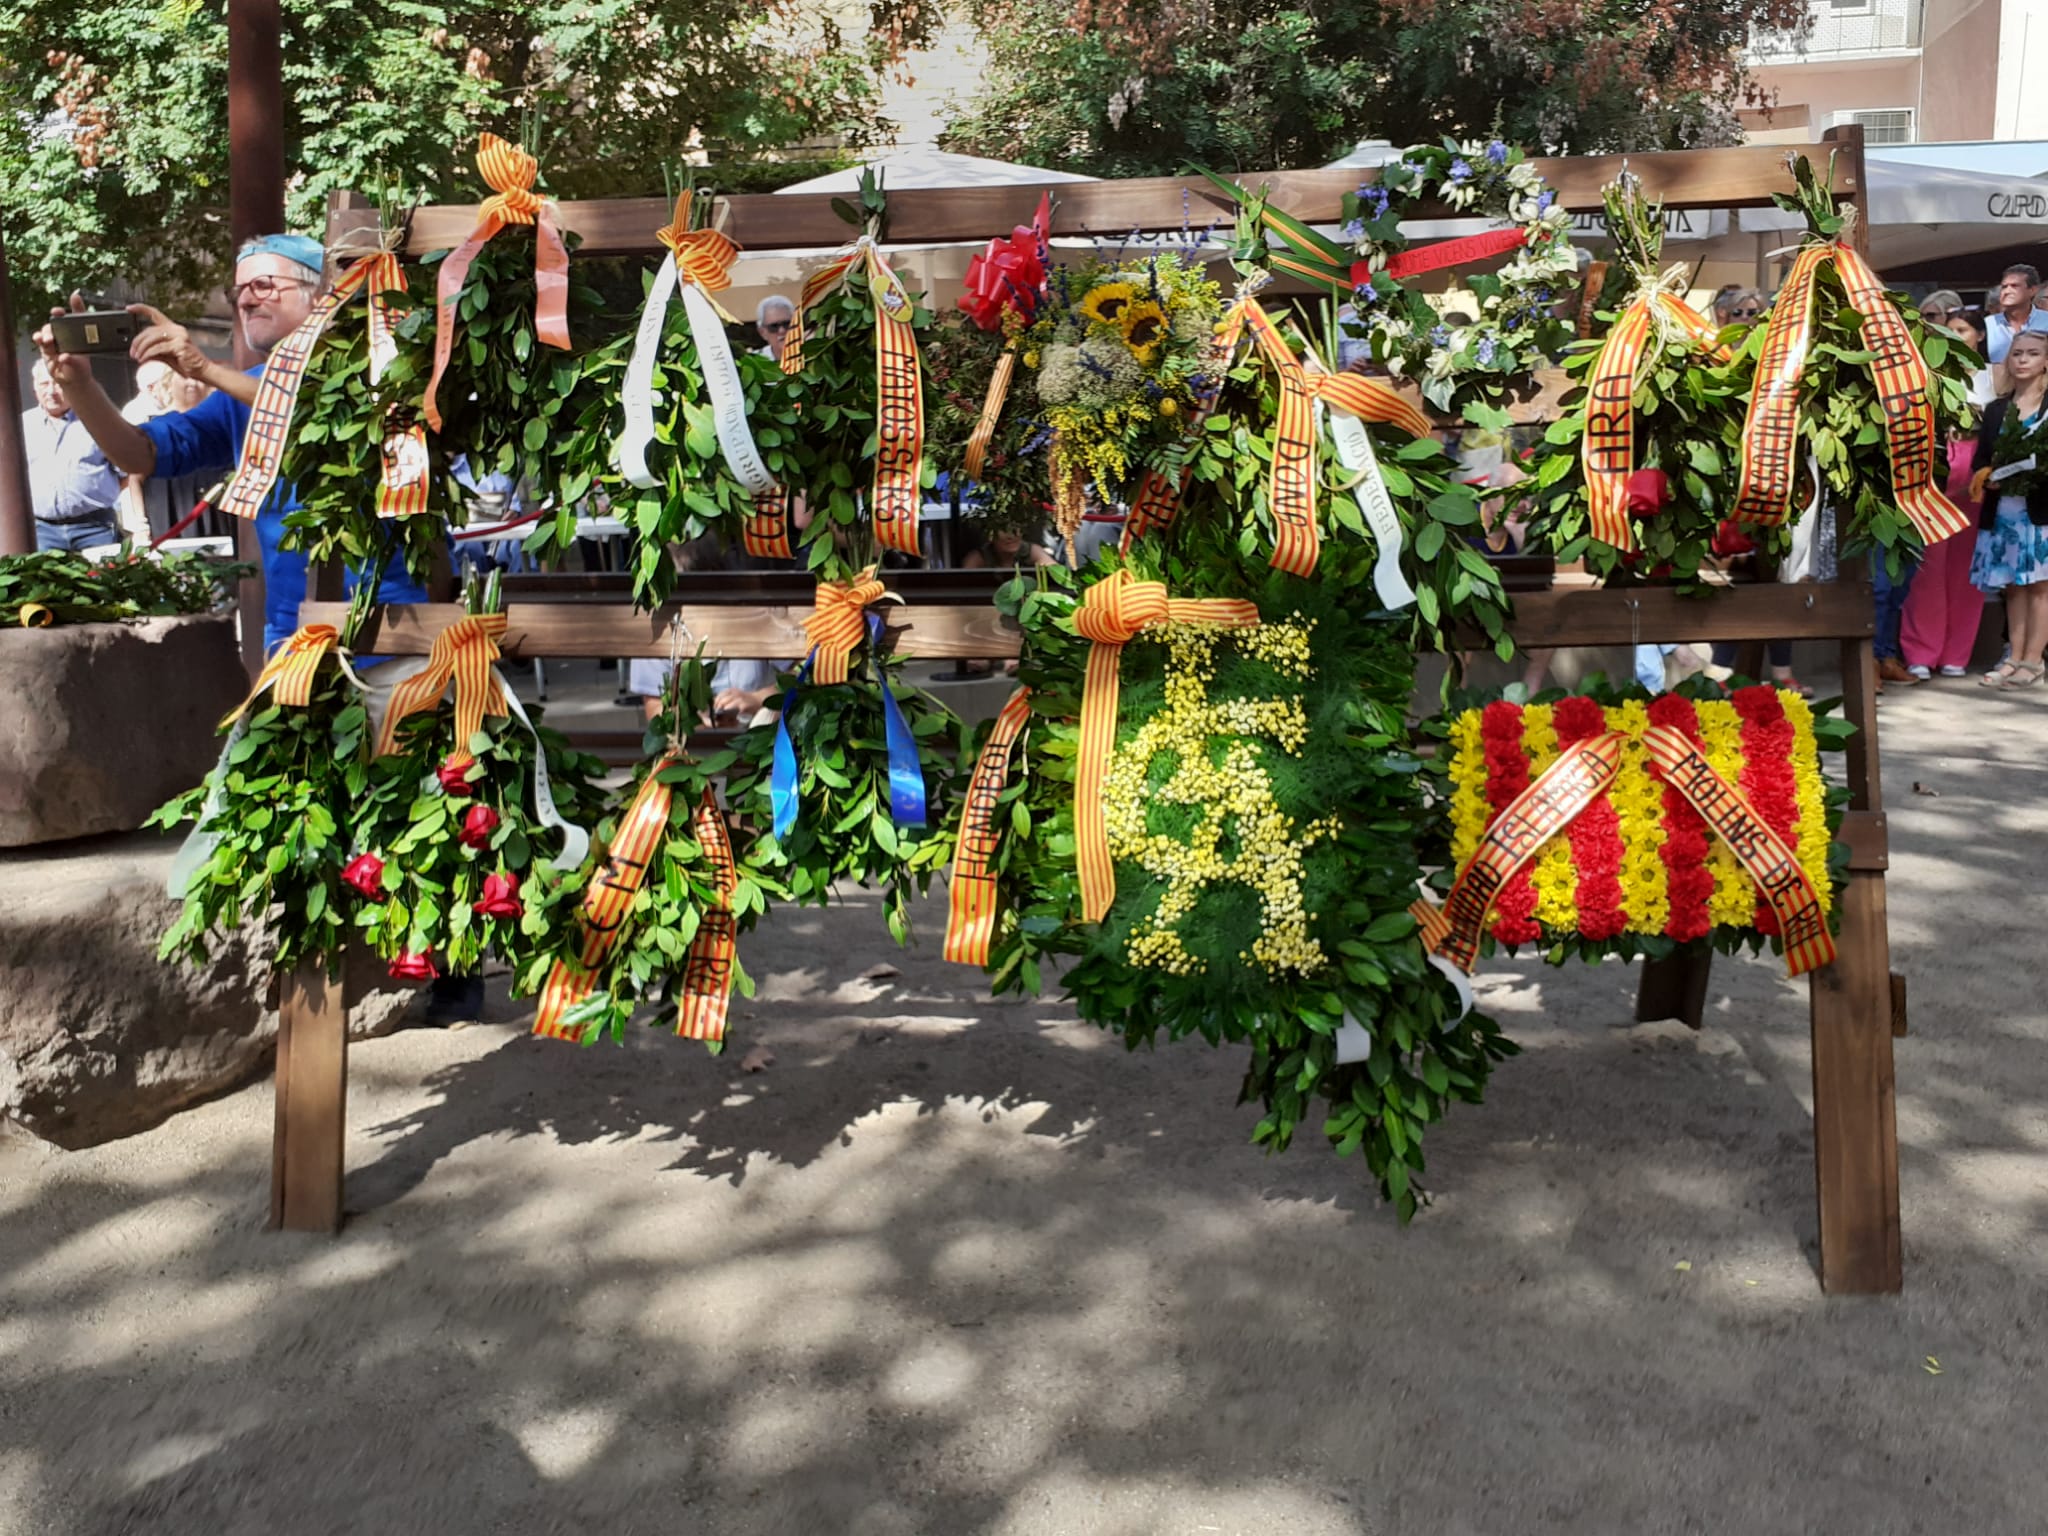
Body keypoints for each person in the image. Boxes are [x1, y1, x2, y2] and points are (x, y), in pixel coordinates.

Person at [33, 233, 430, 652]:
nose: (246, 301)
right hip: (293, 631)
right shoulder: (239, 392)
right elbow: (139, 454)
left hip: (393, 624)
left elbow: (313, 407)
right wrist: (79, 386)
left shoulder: (380, 367)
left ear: (321, 295)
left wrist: (204, 369)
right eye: (238, 291)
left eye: (264, 285)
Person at [1901, 309, 1990, 679]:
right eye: (1947, 330)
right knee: (1929, 563)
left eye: (1962, 330)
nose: (1953, 336)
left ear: (1980, 335)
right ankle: (1921, 651)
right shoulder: (1929, 372)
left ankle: (1957, 653)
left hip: (1977, 468)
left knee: (1966, 564)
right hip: (1936, 465)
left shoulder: (1994, 375)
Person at [1967, 328, 2048, 688]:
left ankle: (2034, 660)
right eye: (2017, 353)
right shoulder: (1996, 409)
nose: (2023, 360)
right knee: (2013, 587)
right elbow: (1981, 459)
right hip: (2004, 510)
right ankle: (2013, 656)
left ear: (2046, 362)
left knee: (2040, 587)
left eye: (2032, 353)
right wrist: (1987, 477)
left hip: (2041, 511)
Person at [22, 358, 123, 551]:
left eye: (57, 384)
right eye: (44, 384)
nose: (51, 391)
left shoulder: (98, 421)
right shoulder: (23, 425)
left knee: (104, 572)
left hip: (95, 527)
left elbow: (126, 472)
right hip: (43, 530)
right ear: (35, 388)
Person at [119, 360, 216, 542]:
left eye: (197, 379)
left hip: (214, 516)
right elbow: (135, 477)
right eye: (184, 378)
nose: (191, 384)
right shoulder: (154, 428)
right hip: (165, 516)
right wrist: (140, 526)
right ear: (168, 386)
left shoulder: (217, 426)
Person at [1982, 265, 2048, 384]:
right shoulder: (1987, 324)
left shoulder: (2046, 321)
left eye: (2015, 286)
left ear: (2032, 290)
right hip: (1996, 388)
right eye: (2004, 287)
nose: (2007, 291)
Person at [756, 294, 796, 362]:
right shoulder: (755, 362)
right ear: (762, 333)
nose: (782, 331)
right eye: (774, 326)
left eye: (787, 324)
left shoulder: (812, 355)